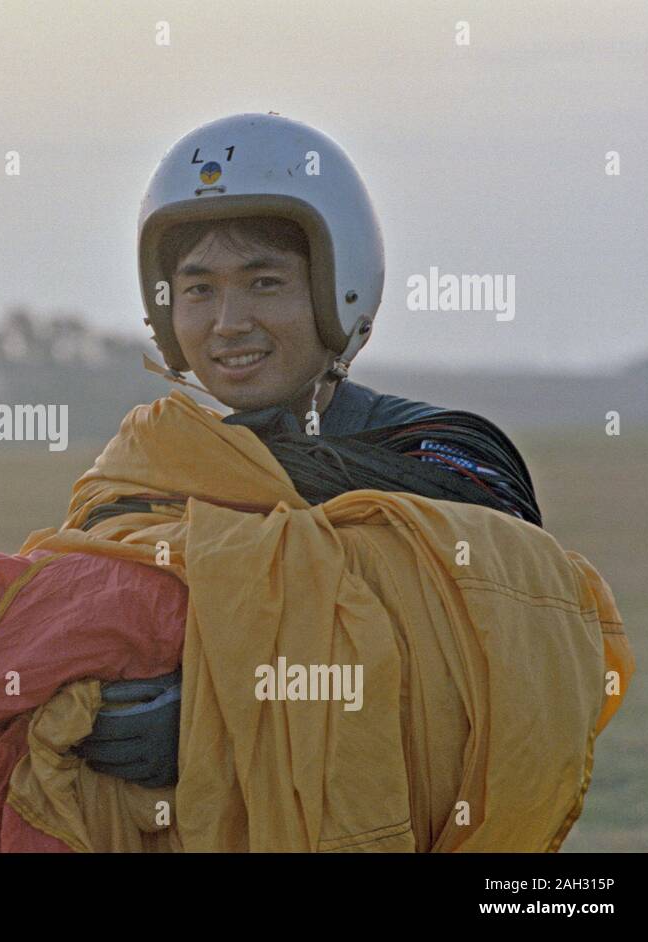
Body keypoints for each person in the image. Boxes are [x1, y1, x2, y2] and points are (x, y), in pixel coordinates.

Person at [76, 113, 540, 789]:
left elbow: (489, 677)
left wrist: (223, 719)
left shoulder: (449, 465)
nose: (228, 323)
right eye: (200, 290)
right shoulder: (147, 477)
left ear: (336, 289)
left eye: (265, 284)